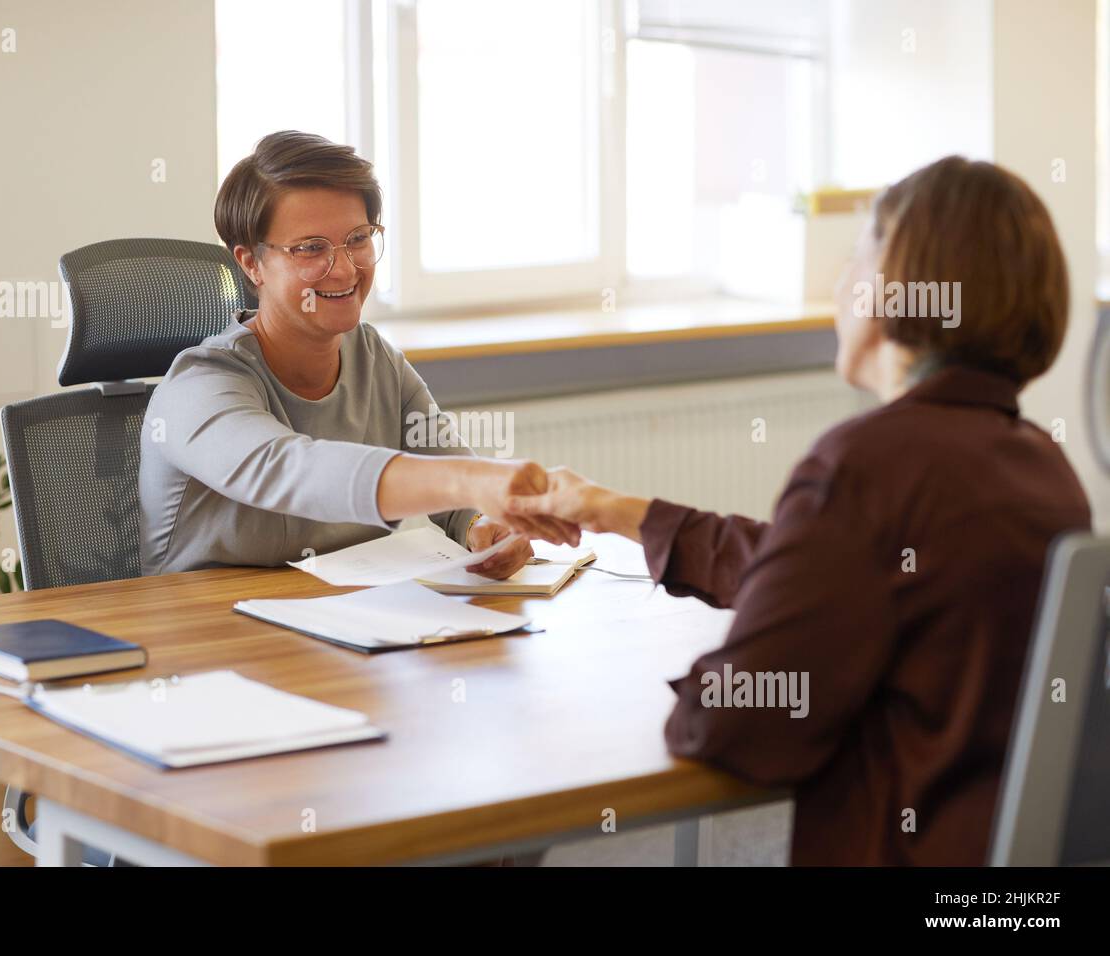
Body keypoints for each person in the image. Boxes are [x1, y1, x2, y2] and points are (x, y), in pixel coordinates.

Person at [508, 156, 1092, 865]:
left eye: (858, 256)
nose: (842, 285)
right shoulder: (1043, 466)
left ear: (898, 288)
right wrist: (621, 511)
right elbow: (839, 569)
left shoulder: (866, 463)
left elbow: (729, 726)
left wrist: (696, 676)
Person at [139, 131, 573, 577]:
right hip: (211, 633)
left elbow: (455, 494)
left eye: (358, 238)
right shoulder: (197, 387)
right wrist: (479, 480)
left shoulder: (375, 360)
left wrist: (485, 524)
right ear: (251, 263)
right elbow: (290, 470)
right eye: (311, 248)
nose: (345, 268)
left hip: (341, 621)